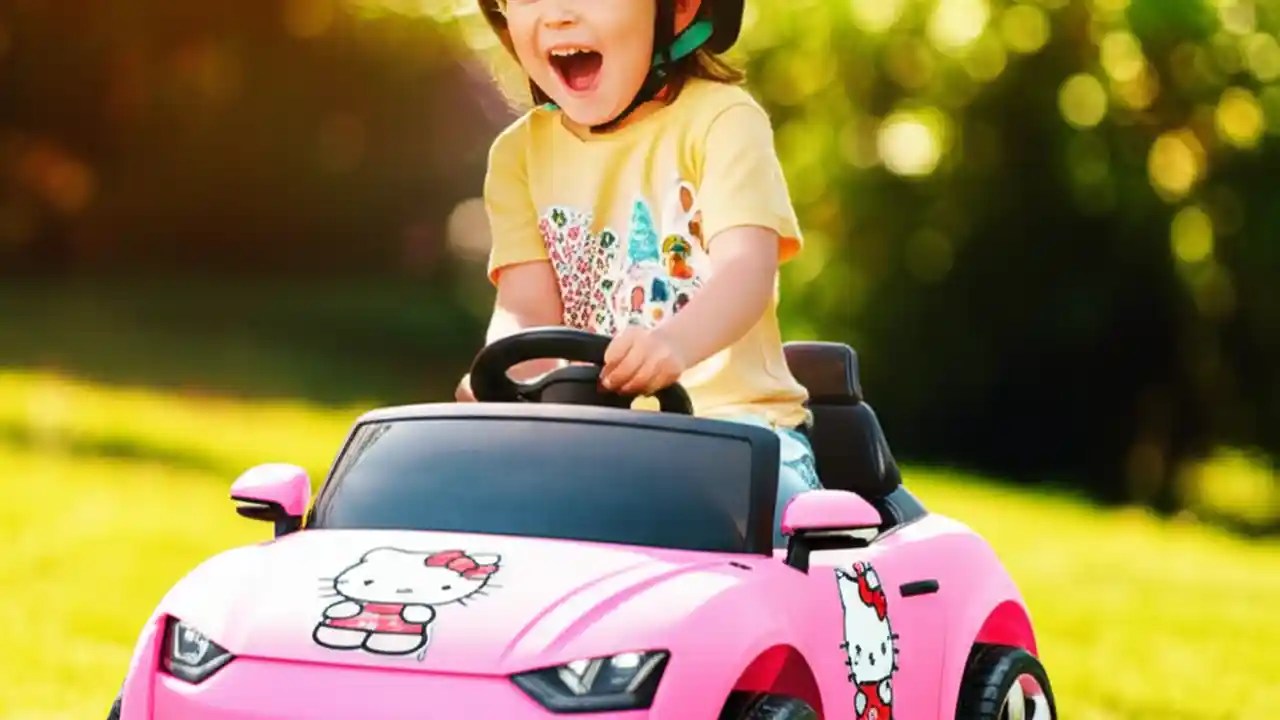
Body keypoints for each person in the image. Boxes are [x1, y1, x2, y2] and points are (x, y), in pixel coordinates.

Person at [458, 0, 821, 546]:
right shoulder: (518, 156)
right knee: (452, 502)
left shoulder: (722, 121)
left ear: (679, 9)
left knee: (693, 515)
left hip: (740, 434)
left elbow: (745, 269)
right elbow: (525, 308)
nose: (557, 15)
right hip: (593, 441)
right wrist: (506, 383)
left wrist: (672, 345)